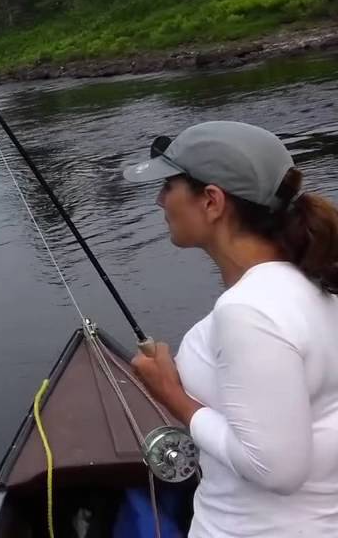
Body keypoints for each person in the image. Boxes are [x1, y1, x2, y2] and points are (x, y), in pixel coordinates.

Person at [123, 120, 338, 537]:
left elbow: (276, 470)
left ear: (211, 201)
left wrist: (173, 394)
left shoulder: (249, 310)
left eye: (168, 186)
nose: (158, 200)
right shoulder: (312, 288)